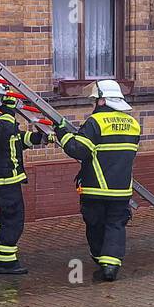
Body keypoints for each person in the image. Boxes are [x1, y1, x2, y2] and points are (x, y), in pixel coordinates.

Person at [53, 79, 140, 282]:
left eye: (95, 100)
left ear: (102, 101)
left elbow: (79, 150)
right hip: (121, 190)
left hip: (96, 188)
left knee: (95, 225)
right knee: (116, 226)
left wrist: (62, 133)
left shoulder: (95, 122)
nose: (94, 104)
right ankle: (111, 266)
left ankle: (102, 261)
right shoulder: (133, 124)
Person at [0, 90, 47, 274]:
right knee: (15, 218)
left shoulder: (1, 118)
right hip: (2, 177)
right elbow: (1, 136)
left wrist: (37, 138)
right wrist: (9, 112)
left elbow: (15, 138)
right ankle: (6, 262)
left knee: (8, 212)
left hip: (5, 176)